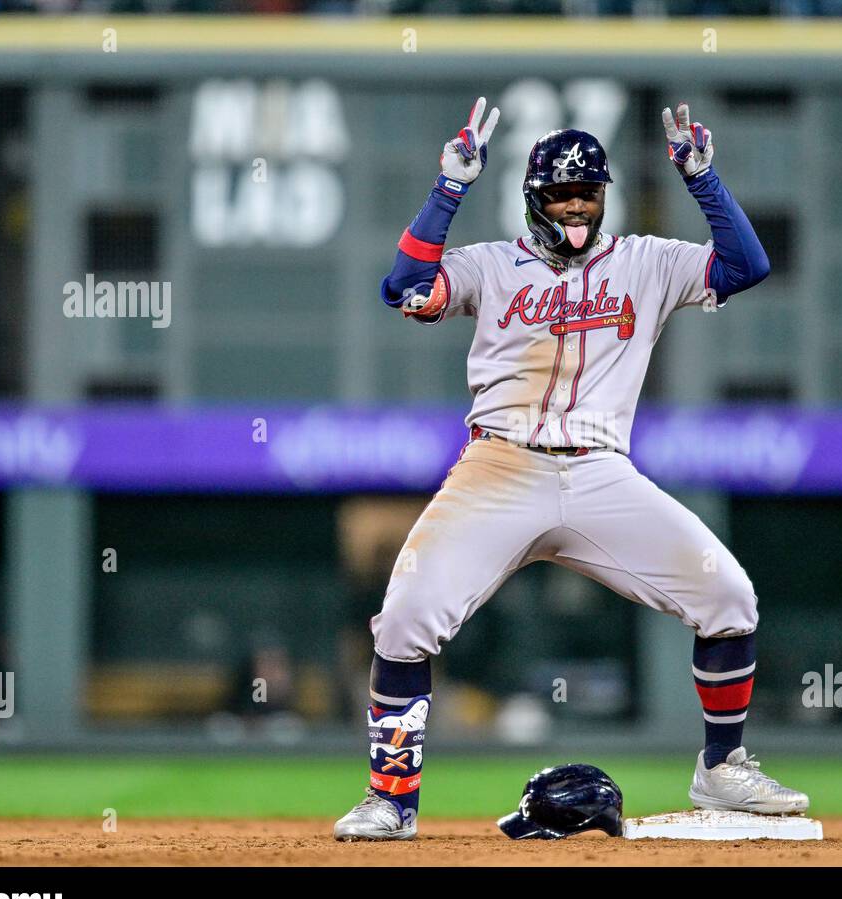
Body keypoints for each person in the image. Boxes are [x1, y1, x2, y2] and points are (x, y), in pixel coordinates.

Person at [334, 96, 809, 841]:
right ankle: (392, 800)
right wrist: (448, 189)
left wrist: (704, 180)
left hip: (601, 475)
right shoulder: (492, 266)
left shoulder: (647, 261)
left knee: (730, 598)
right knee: (404, 618)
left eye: (588, 190)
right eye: (561, 192)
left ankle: (723, 767)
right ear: (534, 200)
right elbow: (405, 287)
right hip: (498, 466)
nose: (576, 204)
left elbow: (748, 265)